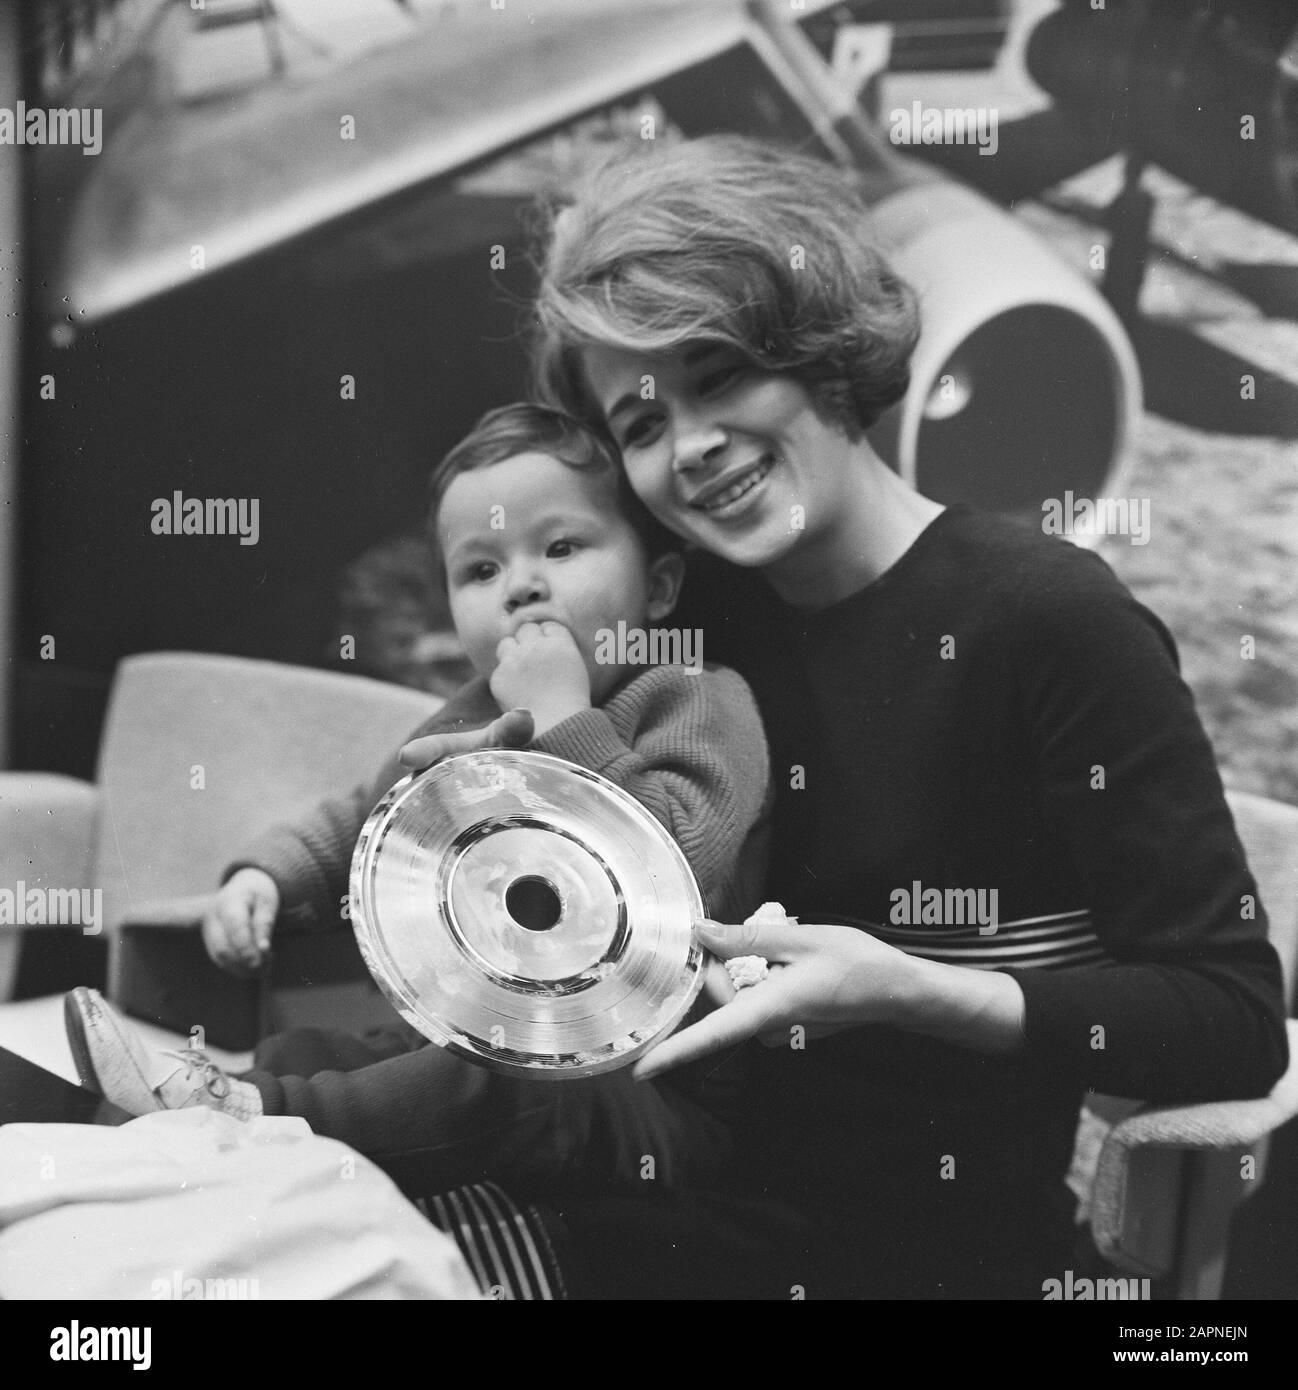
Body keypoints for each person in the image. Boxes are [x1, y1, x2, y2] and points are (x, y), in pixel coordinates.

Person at [516, 133, 1290, 1298]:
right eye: (638, 422)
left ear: (819, 350)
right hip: (657, 1187)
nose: (691, 446)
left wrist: (901, 985)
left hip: (916, 1254)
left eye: (718, 373)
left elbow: (1229, 1020)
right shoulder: (697, 613)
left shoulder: (1045, 618)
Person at [66, 402, 772, 1201]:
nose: (523, 587)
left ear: (661, 587)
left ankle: (253, 1121)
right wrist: (265, 877)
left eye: (563, 547)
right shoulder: (471, 716)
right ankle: (201, 1107)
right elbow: (365, 820)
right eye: (481, 570)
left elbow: (679, 871)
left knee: (516, 1091)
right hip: (480, 1035)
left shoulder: (694, 699)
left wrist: (565, 719)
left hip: (648, 1087)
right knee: (321, 1046)